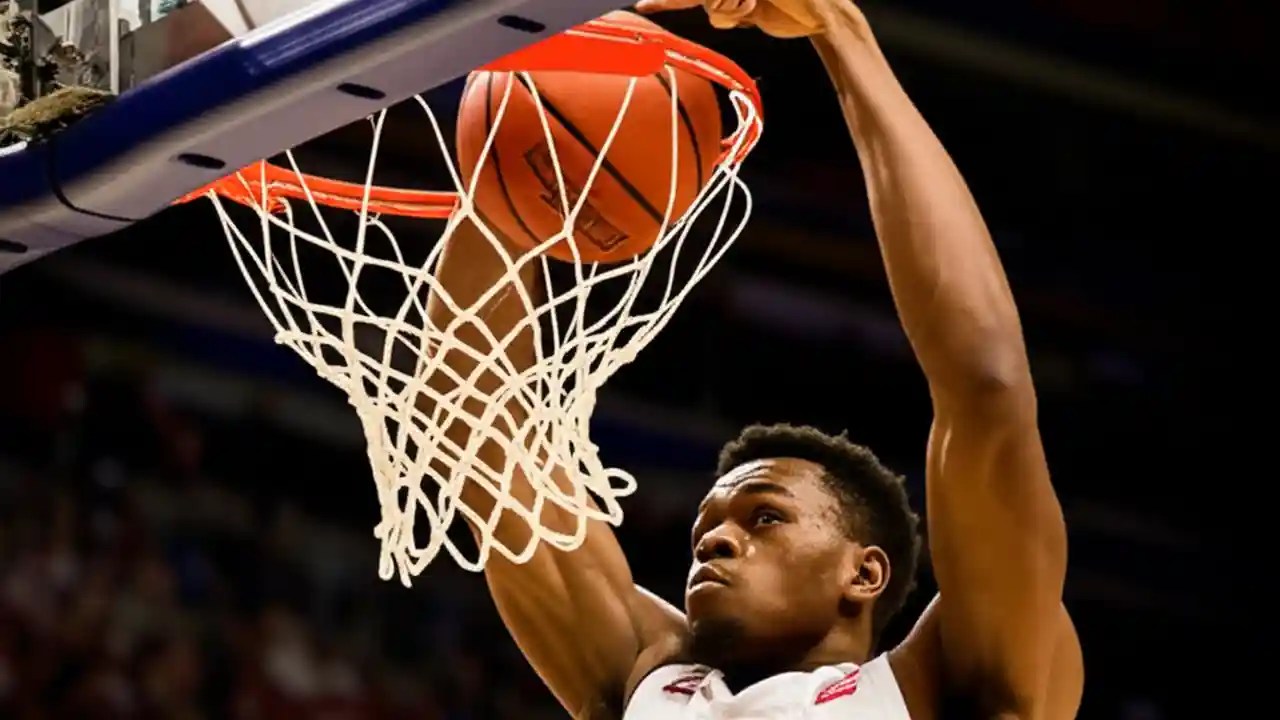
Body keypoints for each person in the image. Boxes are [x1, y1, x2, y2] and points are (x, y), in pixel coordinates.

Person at [421, 0, 1084, 717]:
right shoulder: (655, 679)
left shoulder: (941, 688)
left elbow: (986, 388)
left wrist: (840, 31)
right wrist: (519, 153)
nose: (715, 542)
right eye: (707, 528)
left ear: (863, 574)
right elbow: (478, 427)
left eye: (765, 517)